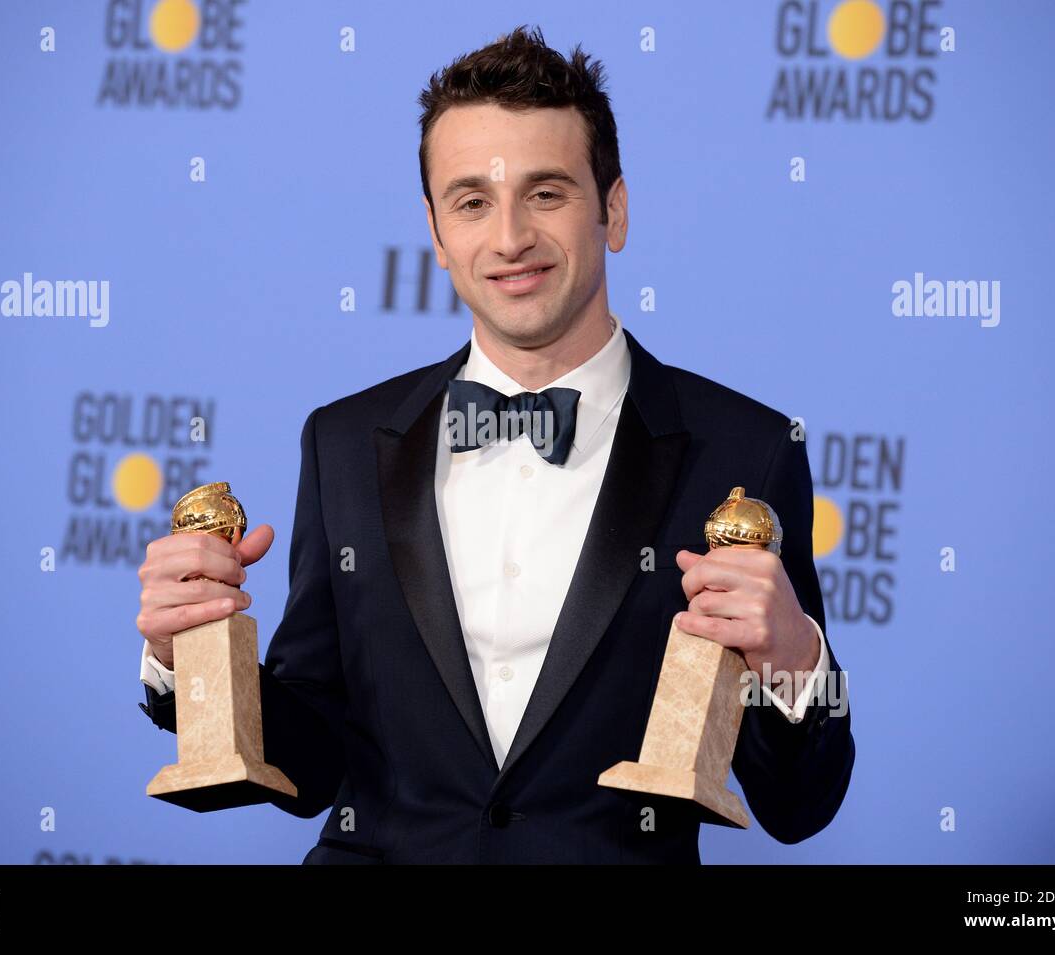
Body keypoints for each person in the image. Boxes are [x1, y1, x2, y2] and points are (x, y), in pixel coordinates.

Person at [135, 24, 854, 864]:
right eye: (472, 201)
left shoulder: (745, 450)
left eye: (546, 193)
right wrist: (186, 652)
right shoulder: (343, 441)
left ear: (613, 210)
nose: (509, 236)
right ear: (437, 235)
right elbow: (306, 757)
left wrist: (798, 659)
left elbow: (799, 804)